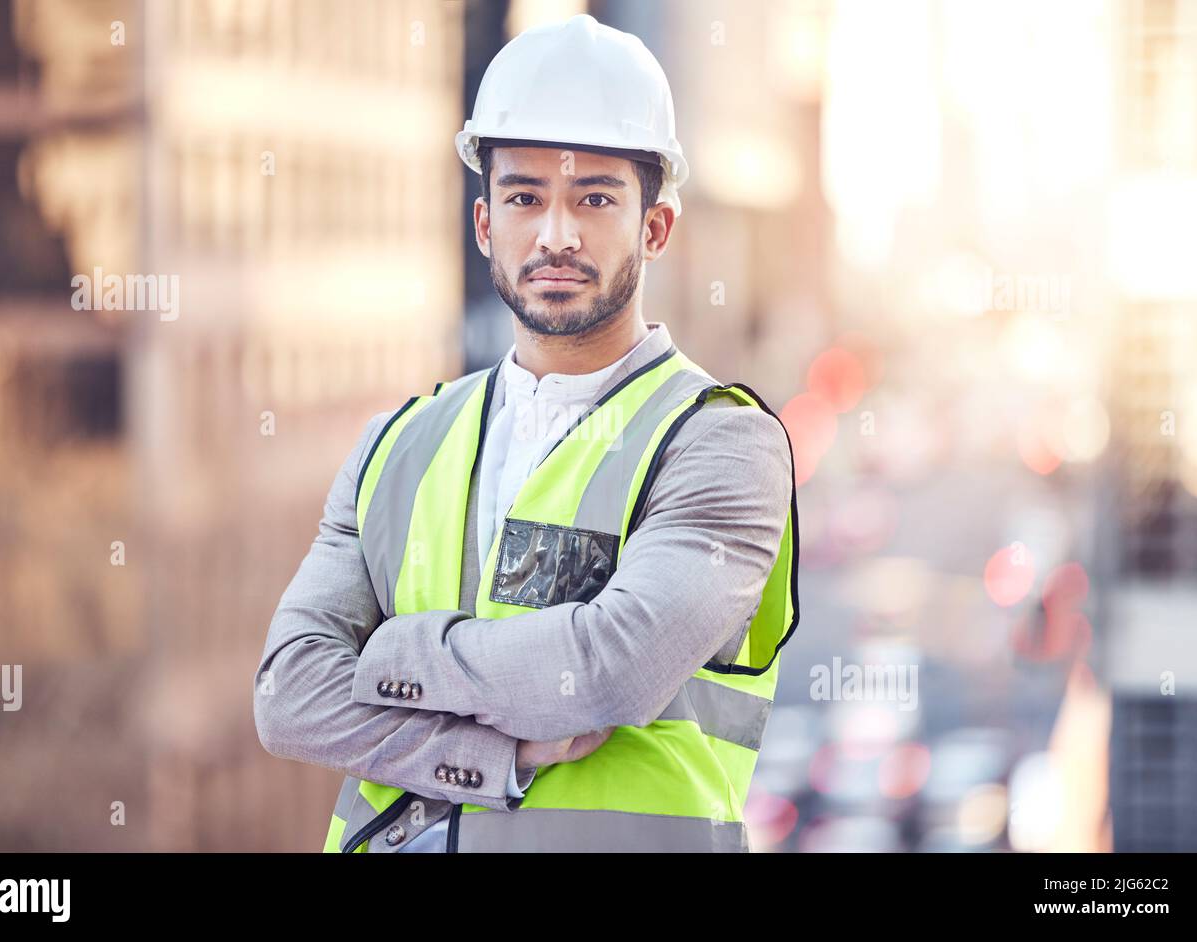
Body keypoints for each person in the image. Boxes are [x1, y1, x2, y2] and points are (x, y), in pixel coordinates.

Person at [253, 13, 799, 853]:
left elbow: (612, 668)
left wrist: (396, 652)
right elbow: (289, 694)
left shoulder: (720, 444)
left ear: (656, 228)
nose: (556, 234)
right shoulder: (396, 444)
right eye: (524, 197)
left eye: (594, 199)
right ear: (484, 228)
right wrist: (494, 753)